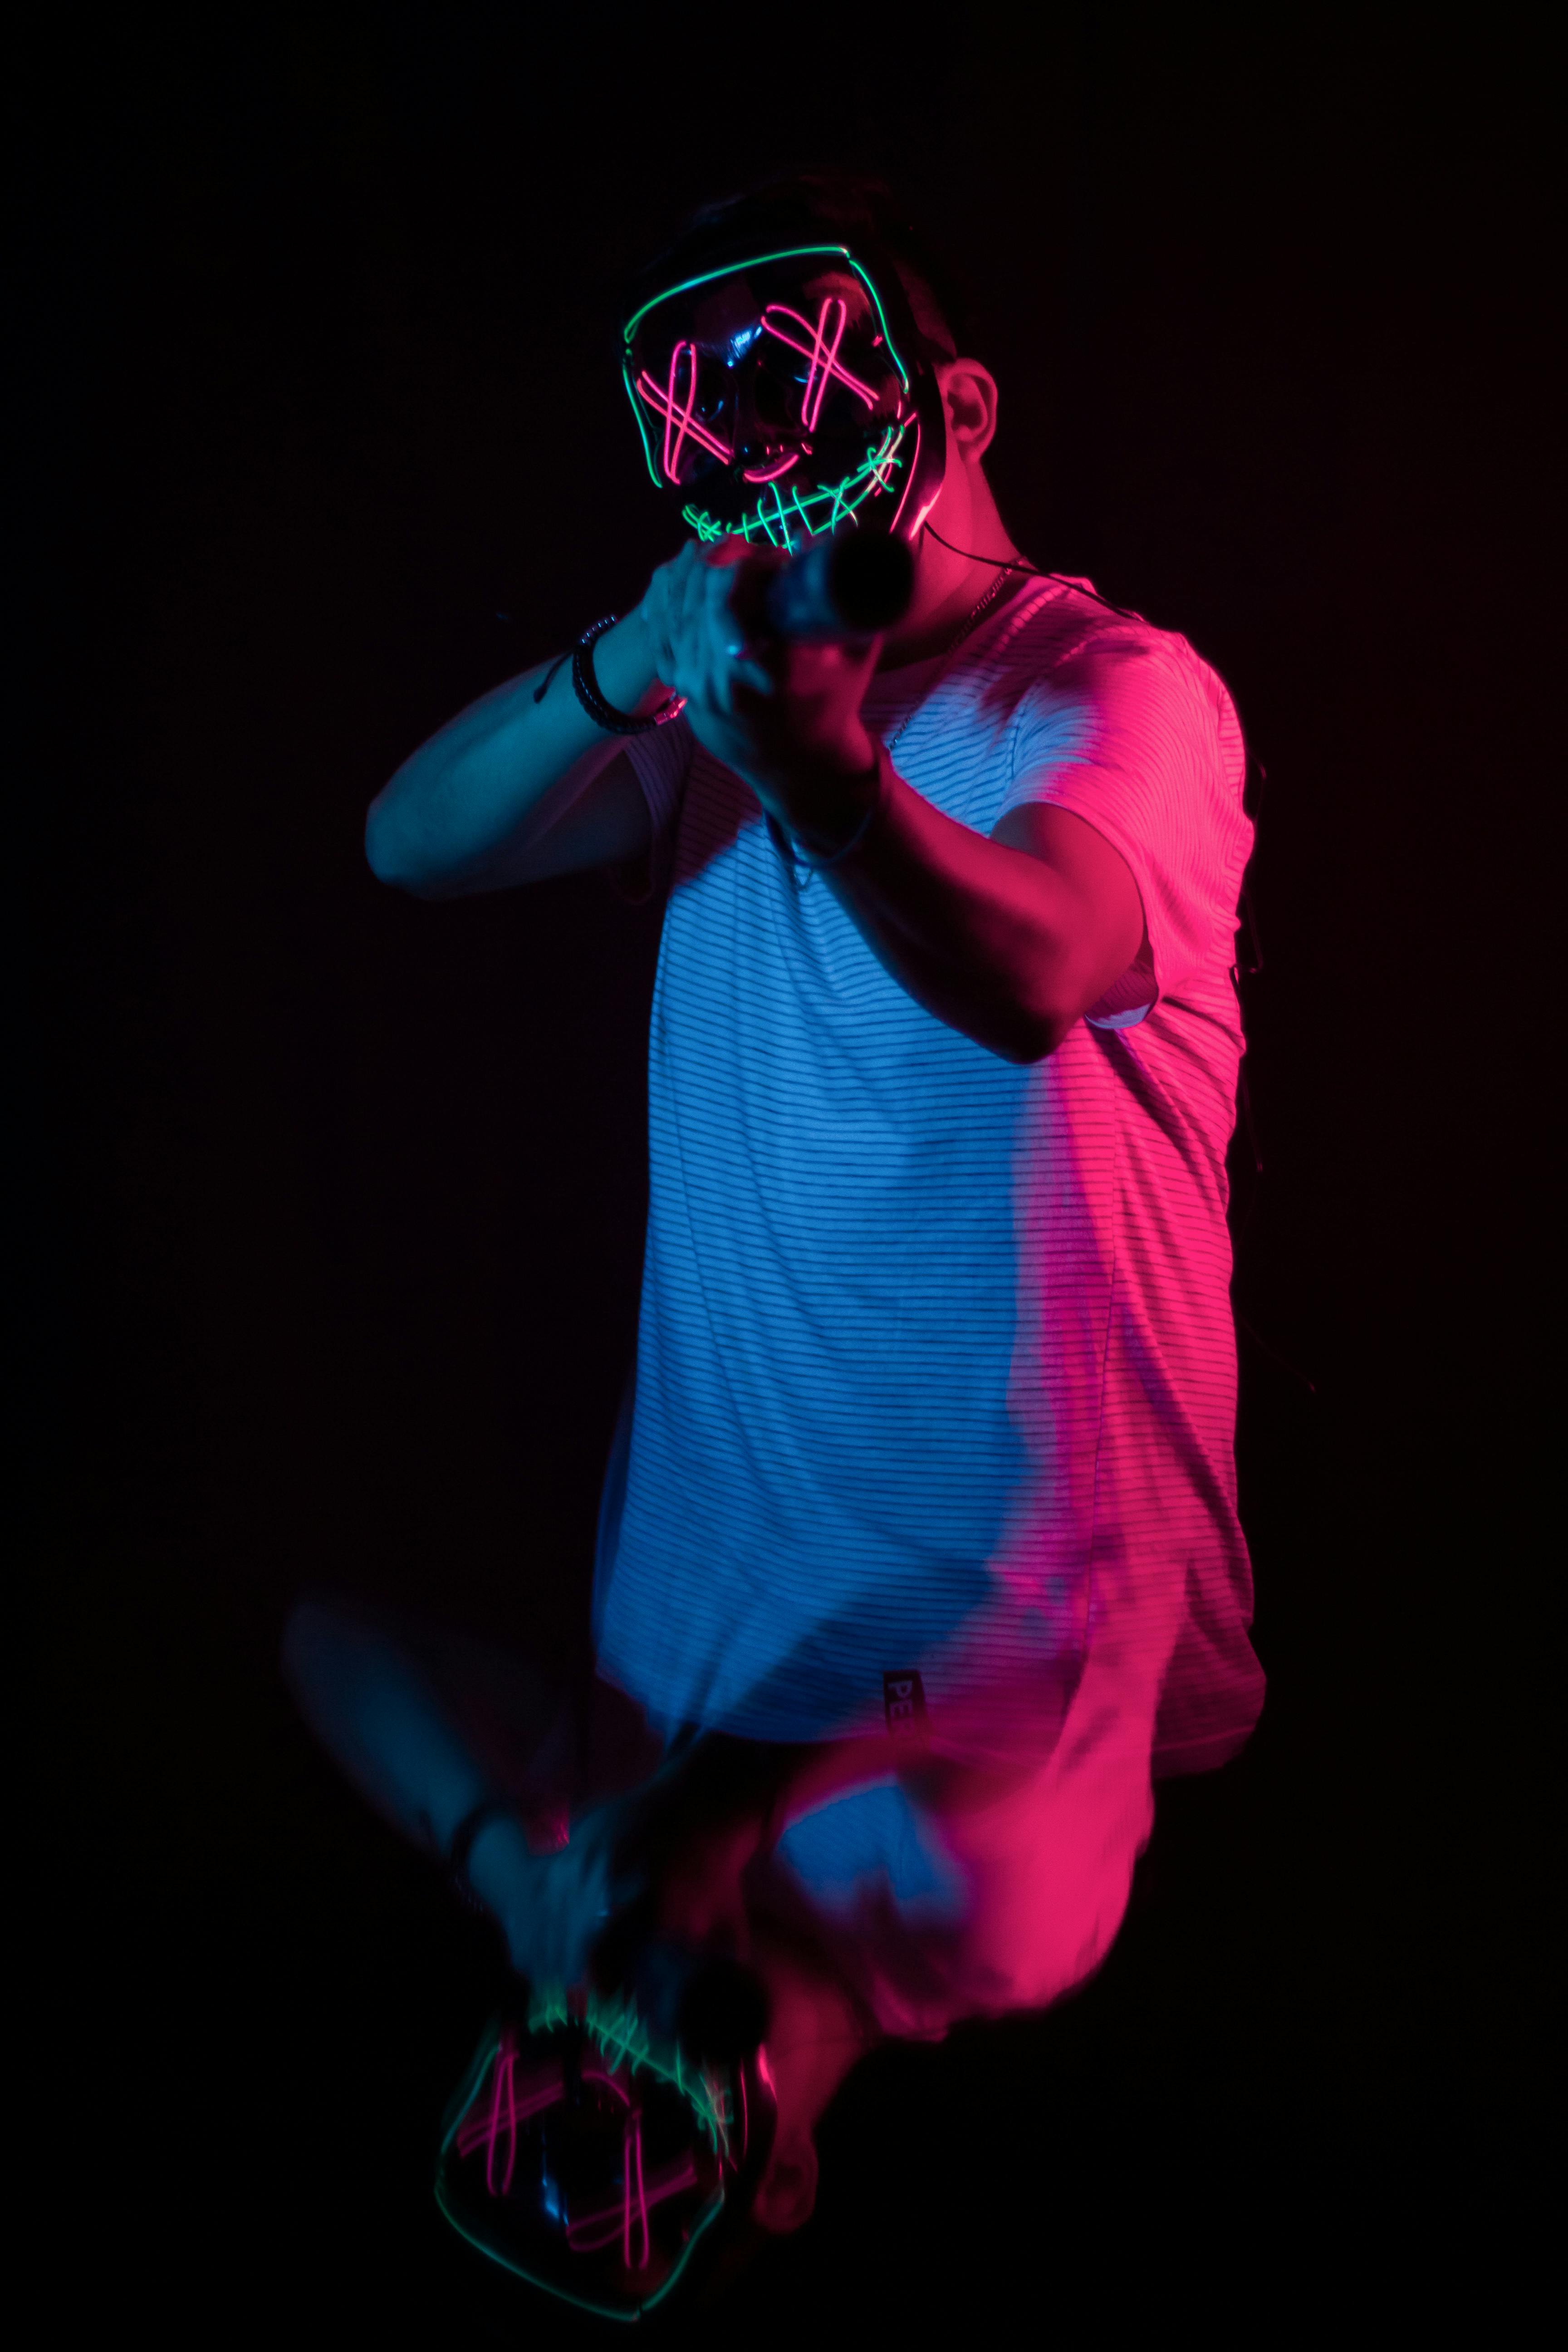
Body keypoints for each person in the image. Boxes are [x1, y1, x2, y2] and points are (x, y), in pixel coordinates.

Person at [285, 168, 1264, 2253]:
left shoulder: (1115, 691)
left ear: (963, 410)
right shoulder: (989, 1910)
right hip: (961, 1595)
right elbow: (409, 843)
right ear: (783, 2165)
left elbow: (1033, 962)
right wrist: (648, 674)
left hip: (692, 1622)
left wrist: (535, 1875)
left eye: (832, 449)